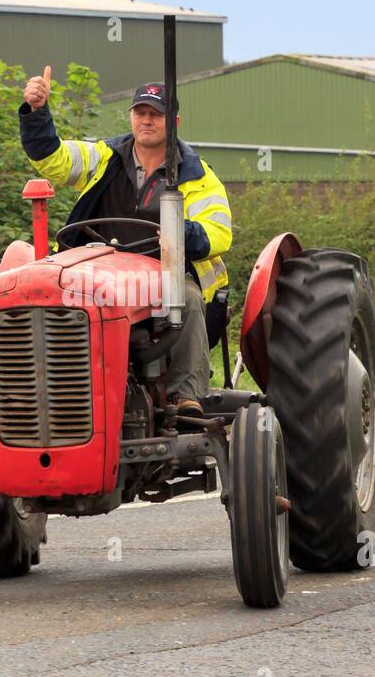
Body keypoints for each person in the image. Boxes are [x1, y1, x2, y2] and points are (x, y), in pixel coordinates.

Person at [19, 66, 231, 417]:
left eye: (156, 114)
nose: (146, 121)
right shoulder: (104, 158)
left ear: (174, 121)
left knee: (190, 297)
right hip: (95, 272)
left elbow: (219, 232)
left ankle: (186, 396)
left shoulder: (197, 175)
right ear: (131, 117)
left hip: (160, 276)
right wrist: (37, 112)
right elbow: (52, 159)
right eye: (140, 113)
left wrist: (183, 232)